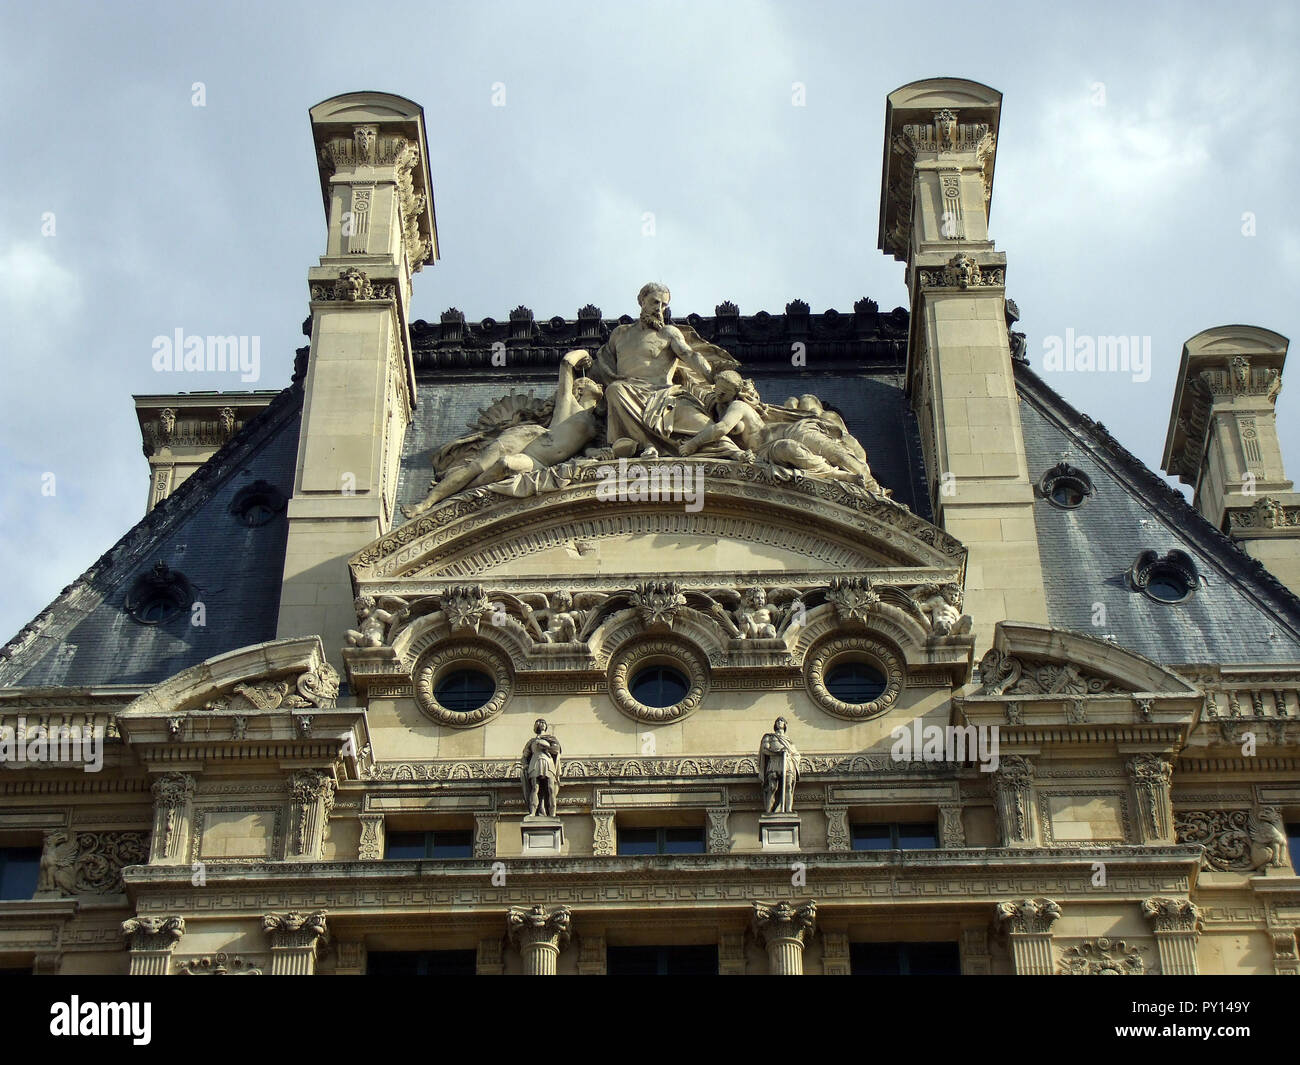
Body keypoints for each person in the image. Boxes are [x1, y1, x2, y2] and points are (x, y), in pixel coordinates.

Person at [405, 350, 603, 516]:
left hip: (540, 464)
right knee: (478, 466)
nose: (600, 384)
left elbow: (585, 450)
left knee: (505, 466)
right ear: (580, 388)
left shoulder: (597, 422)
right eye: (593, 383)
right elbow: (566, 363)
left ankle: (459, 495)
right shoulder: (568, 405)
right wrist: (583, 355)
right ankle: (426, 504)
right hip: (528, 440)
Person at [520, 718, 562, 817]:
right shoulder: (532, 741)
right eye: (540, 722)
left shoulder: (551, 738)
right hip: (535, 762)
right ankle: (533, 812)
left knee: (550, 788)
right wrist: (525, 764)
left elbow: (556, 750)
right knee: (535, 787)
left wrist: (545, 746)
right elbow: (524, 756)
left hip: (548, 762)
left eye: (544, 722)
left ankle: (552, 813)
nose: (542, 724)